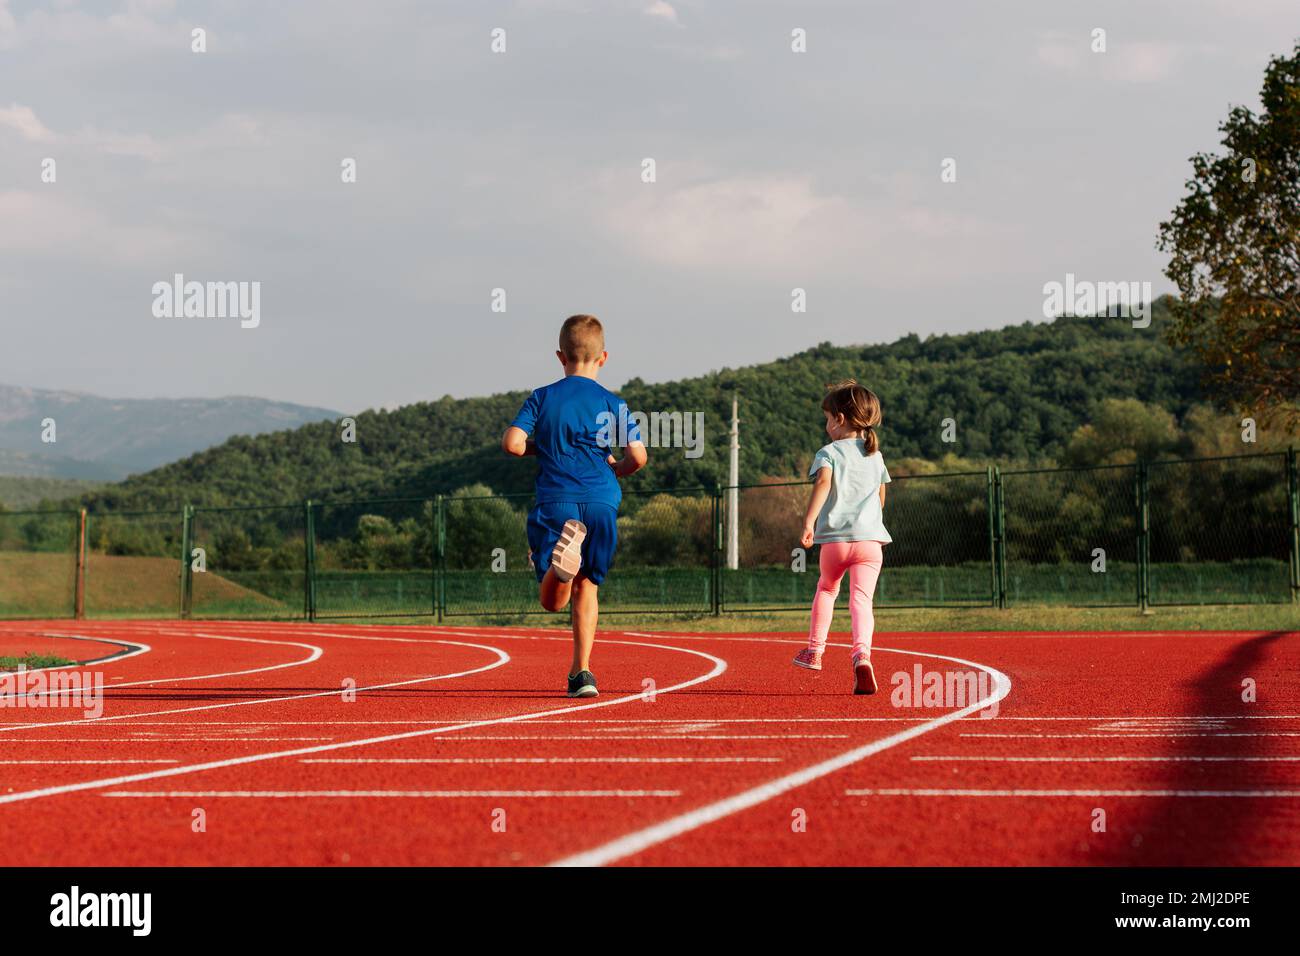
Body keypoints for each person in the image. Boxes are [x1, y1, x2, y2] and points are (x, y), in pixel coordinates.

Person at [502, 314, 647, 697]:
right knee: (589, 588)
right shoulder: (613, 403)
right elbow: (639, 456)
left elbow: (513, 444)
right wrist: (619, 469)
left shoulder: (543, 396)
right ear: (603, 358)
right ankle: (582, 673)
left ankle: (557, 570)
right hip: (602, 499)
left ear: (560, 356)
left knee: (552, 601)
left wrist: (541, 447)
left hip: (557, 499)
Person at [793, 380, 891, 695]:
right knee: (861, 601)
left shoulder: (829, 453)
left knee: (826, 589)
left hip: (835, 541)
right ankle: (862, 655)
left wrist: (809, 521)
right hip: (869, 541)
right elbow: (881, 494)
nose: (826, 426)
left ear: (838, 419)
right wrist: (872, 523)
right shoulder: (875, 455)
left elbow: (823, 484)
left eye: (827, 419)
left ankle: (814, 652)